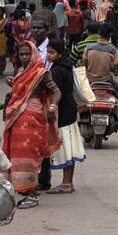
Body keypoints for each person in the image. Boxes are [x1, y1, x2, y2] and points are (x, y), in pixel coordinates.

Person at [3, 40, 62, 209]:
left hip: (33, 117)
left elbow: (56, 91)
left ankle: (31, 194)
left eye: (27, 54)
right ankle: (24, 191)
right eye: (21, 54)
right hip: (16, 118)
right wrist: (13, 83)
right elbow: (19, 91)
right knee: (16, 156)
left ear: (34, 54)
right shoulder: (20, 71)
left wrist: (53, 105)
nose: (24, 57)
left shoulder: (41, 72)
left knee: (30, 156)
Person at [44, 38, 85, 193]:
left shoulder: (56, 71)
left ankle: (66, 183)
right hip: (70, 109)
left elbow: (56, 93)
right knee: (71, 146)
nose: (48, 55)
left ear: (59, 53)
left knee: (66, 147)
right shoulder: (67, 66)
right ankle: (68, 181)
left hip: (63, 112)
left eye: (52, 52)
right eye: (48, 52)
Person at [83, 25, 118, 127]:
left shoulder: (88, 48)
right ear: (110, 35)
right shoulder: (113, 50)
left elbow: (83, 66)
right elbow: (116, 72)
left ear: (99, 33)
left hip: (90, 81)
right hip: (106, 81)